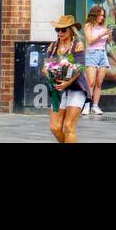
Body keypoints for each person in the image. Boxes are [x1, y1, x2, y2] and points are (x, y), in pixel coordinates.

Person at [45, 15, 89, 143]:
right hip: (58, 89)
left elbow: (80, 67)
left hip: (76, 87)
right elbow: (46, 66)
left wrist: (68, 82)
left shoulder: (77, 45)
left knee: (69, 127)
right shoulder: (53, 46)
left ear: (71, 30)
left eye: (63, 30)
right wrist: (49, 73)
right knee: (54, 127)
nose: (60, 33)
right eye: (57, 30)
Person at [82, 6, 111, 116]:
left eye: (103, 15)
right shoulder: (88, 26)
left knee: (99, 82)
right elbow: (89, 41)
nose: (102, 17)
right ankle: (86, 105)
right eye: (100, 15)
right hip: (92, 53)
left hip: (102, 53)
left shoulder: (103, 26)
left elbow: (108, 41)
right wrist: (102, 34)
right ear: (94, 15)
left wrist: (109, 34)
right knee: (91, 82)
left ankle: (95, 106)